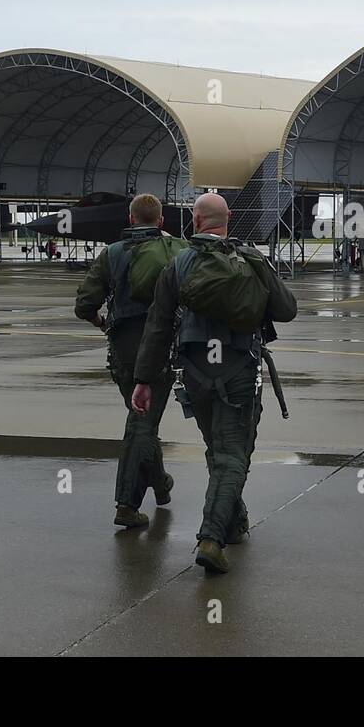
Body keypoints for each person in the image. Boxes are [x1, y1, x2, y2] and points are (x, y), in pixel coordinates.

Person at [130, 192, 297, 574]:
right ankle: (211, 537)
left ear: (195, 221)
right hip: (238, 368)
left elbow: (157, 327)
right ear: (229, 219)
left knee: (217, 450)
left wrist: (144, 380)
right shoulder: (251, 258)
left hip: (196, 372)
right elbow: (287, 310)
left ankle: (233, 523)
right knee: (233, 453)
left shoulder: (178, 264)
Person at [74, 193, 180, 528]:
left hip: (122, 350)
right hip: (161, 348)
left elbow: (84, 305)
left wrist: (102, 324)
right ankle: (126, 504)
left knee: (143, 422)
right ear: (161, 222)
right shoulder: (175, 251)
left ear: (131, 219)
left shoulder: (112, 254)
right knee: (143, 424)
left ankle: (160, 484)